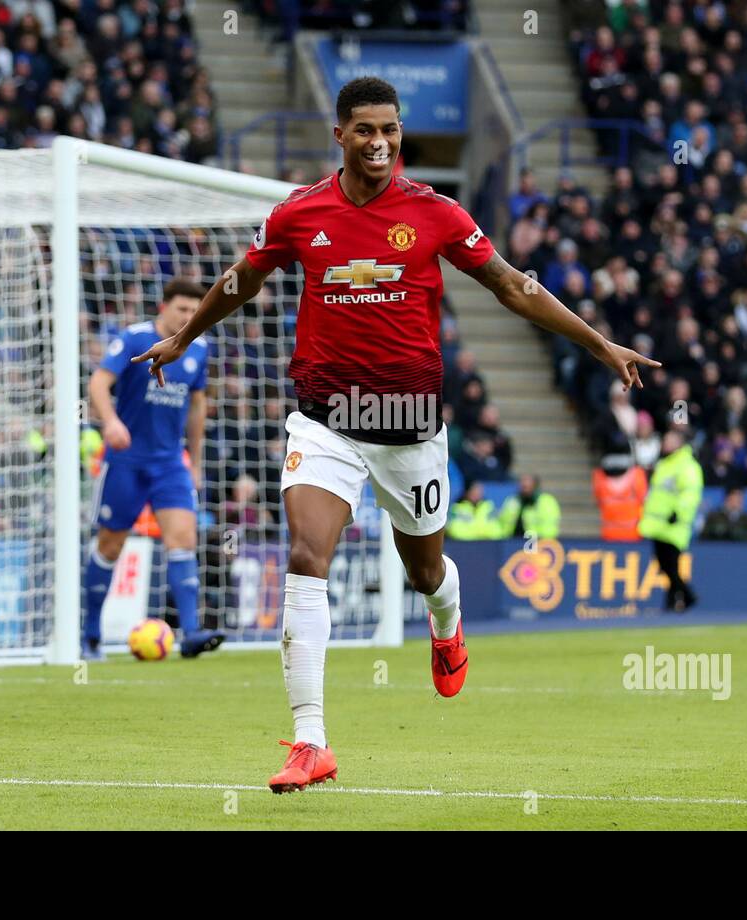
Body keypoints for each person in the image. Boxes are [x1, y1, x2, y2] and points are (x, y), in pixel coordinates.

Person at [132, 77, 658, 793]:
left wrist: (601, 346)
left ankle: (447, 617)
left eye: (391, 130)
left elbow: (514, 286)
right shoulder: (299, 213)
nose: (380, 142)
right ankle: (310, 741)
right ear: (341, 136)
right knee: (306, 554)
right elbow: (239, 280)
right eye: (366, 130)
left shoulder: (435, 213)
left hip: (409, 430)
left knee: (424, 572)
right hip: (325, 421)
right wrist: (182, 338)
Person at [83, 279, 224, 661]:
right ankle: (90, 635)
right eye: (182, 309)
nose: (188, 317)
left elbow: (196, 407)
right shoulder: (133, 339)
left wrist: (194, 461)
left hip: (169, 464)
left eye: (195, 311)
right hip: (125, 462)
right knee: (110, 546)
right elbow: (99, 382)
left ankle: (191, 634)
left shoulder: (198, 349)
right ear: (163, 307)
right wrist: (110, 422)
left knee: (183, 539)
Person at [637, 429, 703, 612]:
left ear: (679, 442)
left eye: (669, 439)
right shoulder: (665, 463)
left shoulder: (687, 466)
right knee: (665, 566)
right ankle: (674, 601)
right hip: (659, 524)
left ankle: (686, 596)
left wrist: (678, 513)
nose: (665, 442)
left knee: (670, 566)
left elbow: (690, 494)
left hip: (673, 525)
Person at [498, 473, 561, 540]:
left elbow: (549, 528)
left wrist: (540, 540)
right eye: (522, 486)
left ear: (535, 486)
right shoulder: (512, 500)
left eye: (526, 487)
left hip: (537, 542)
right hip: (511, 541)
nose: (523, 489)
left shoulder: (547, 501)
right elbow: (502, 522)